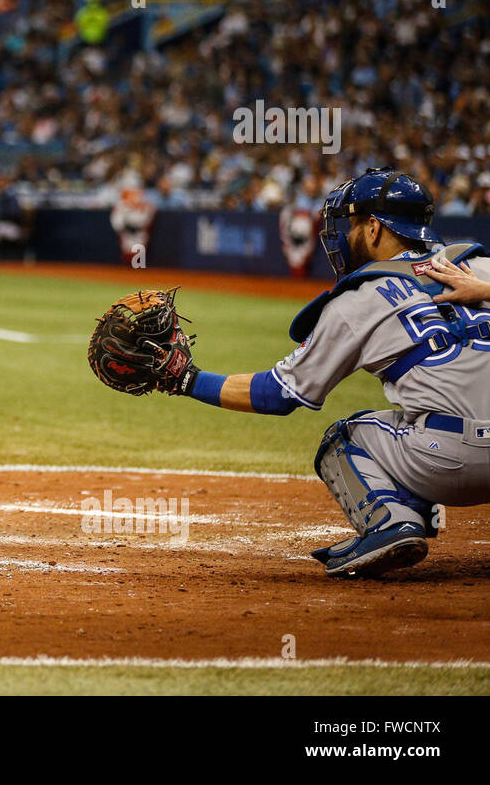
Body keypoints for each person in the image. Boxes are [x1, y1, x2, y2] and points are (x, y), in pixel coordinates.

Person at [157, 167, 490, 578]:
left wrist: (185, 379)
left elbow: (276, 395)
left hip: (448, 461)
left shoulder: (358, 299)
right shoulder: (479, 265)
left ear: (373, 228)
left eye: (350, 224)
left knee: (345, 437)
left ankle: (393, 522)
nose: (344, 236)